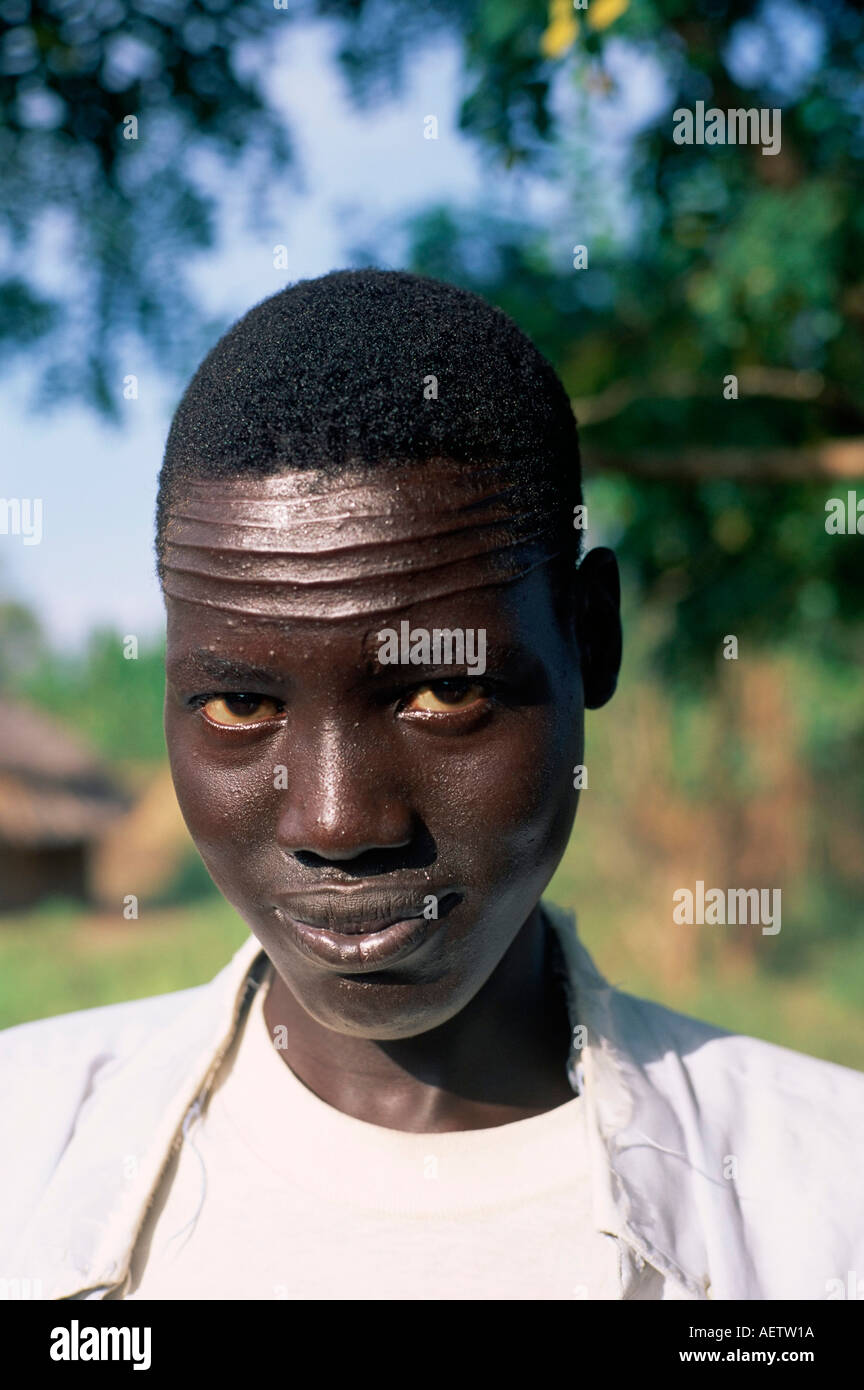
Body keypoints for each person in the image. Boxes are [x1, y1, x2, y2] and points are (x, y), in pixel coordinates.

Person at [2, 270, 862, 1302]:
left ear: (592, 638)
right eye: (239, 704)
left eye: (445, 690)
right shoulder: (24, 1150)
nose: (336, 821)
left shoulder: (824, 1209)